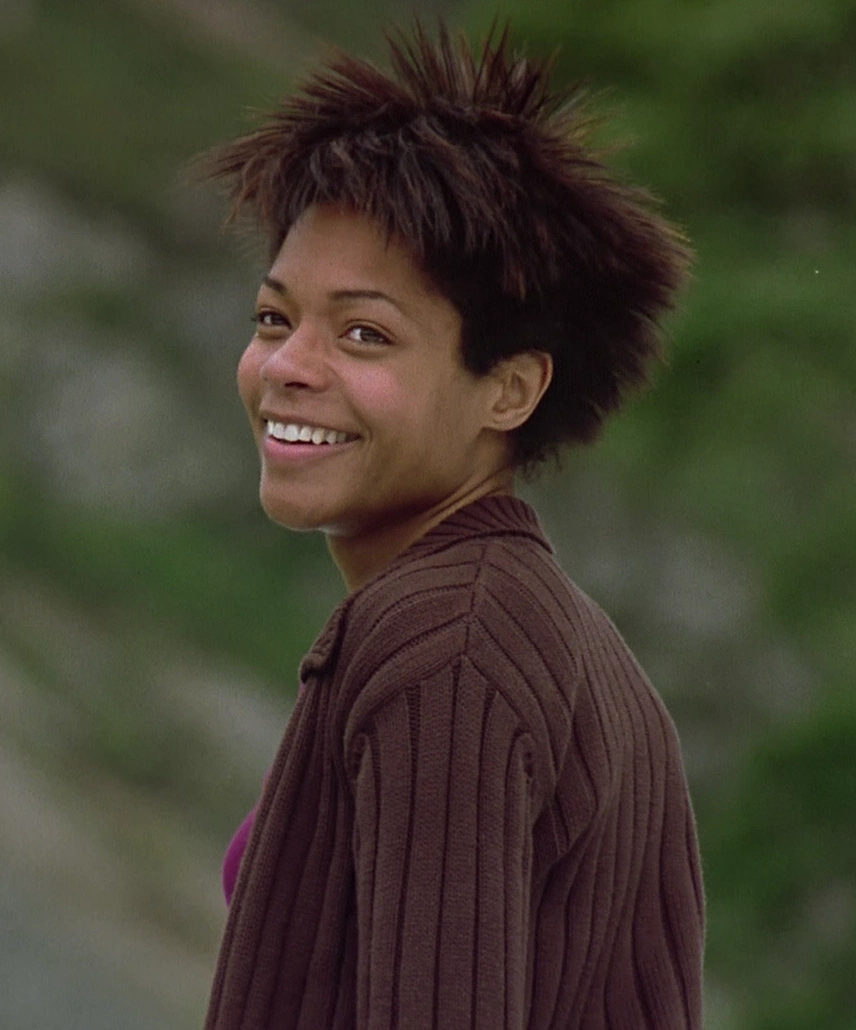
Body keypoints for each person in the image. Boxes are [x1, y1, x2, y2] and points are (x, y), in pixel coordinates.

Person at [203, 23, 704, 1030]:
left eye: (363, 333)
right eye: (273, 318)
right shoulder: (576, 653)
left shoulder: (449, 646)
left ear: (509, 389)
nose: (288, 366)